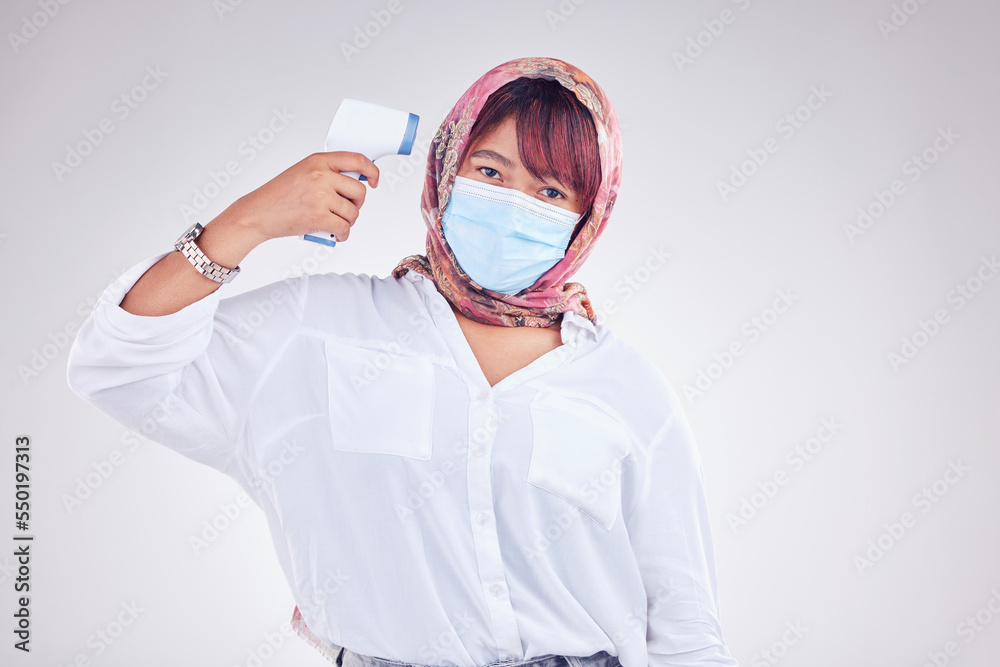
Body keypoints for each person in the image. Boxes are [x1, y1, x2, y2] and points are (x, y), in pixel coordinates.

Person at [67, 57, 739, 667]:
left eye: (551, 192)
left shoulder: (626, 387)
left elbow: (685, 627)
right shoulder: (316, 331)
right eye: (491, 171)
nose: (513, 203)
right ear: (447, 167)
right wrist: (245, 223)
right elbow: (118, 366)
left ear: (587, 216)